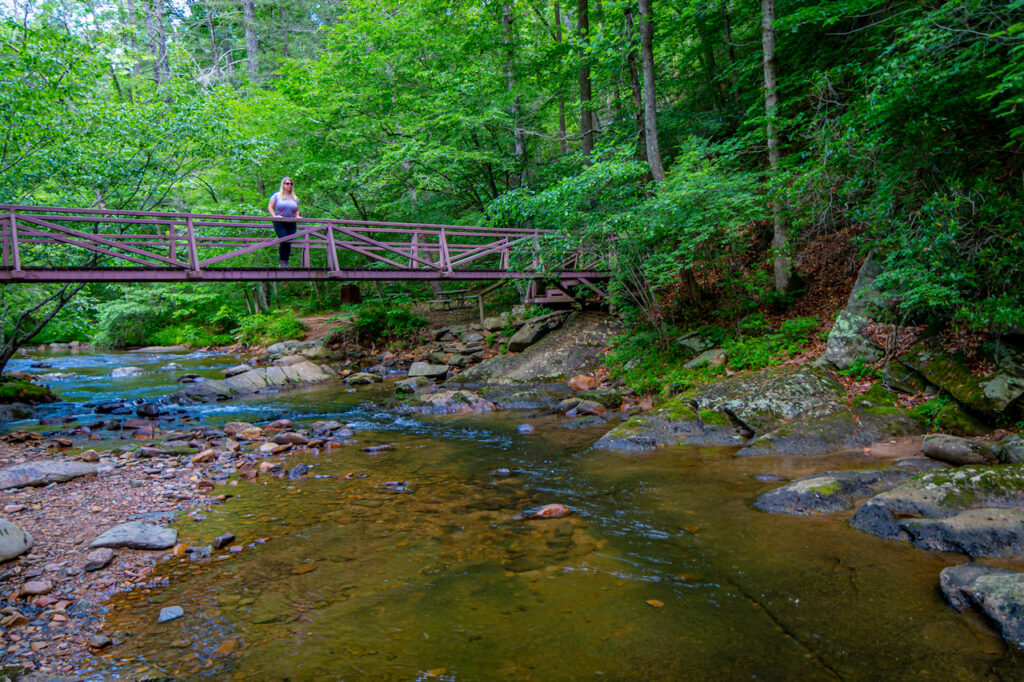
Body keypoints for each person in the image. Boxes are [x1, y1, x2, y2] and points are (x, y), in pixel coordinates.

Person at [268, 177, 301, 267]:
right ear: (283, 184)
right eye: (287, 183)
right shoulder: (276, 195)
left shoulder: (295, 197)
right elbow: (270, 207)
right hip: (280, 221)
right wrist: (275, 216)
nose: (289, 185)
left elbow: (297, 209)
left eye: (291, 184)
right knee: (284, 239)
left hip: (291, 222)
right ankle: (282, 261)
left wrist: (297, 216)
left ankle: (286, 262)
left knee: (289, 241)